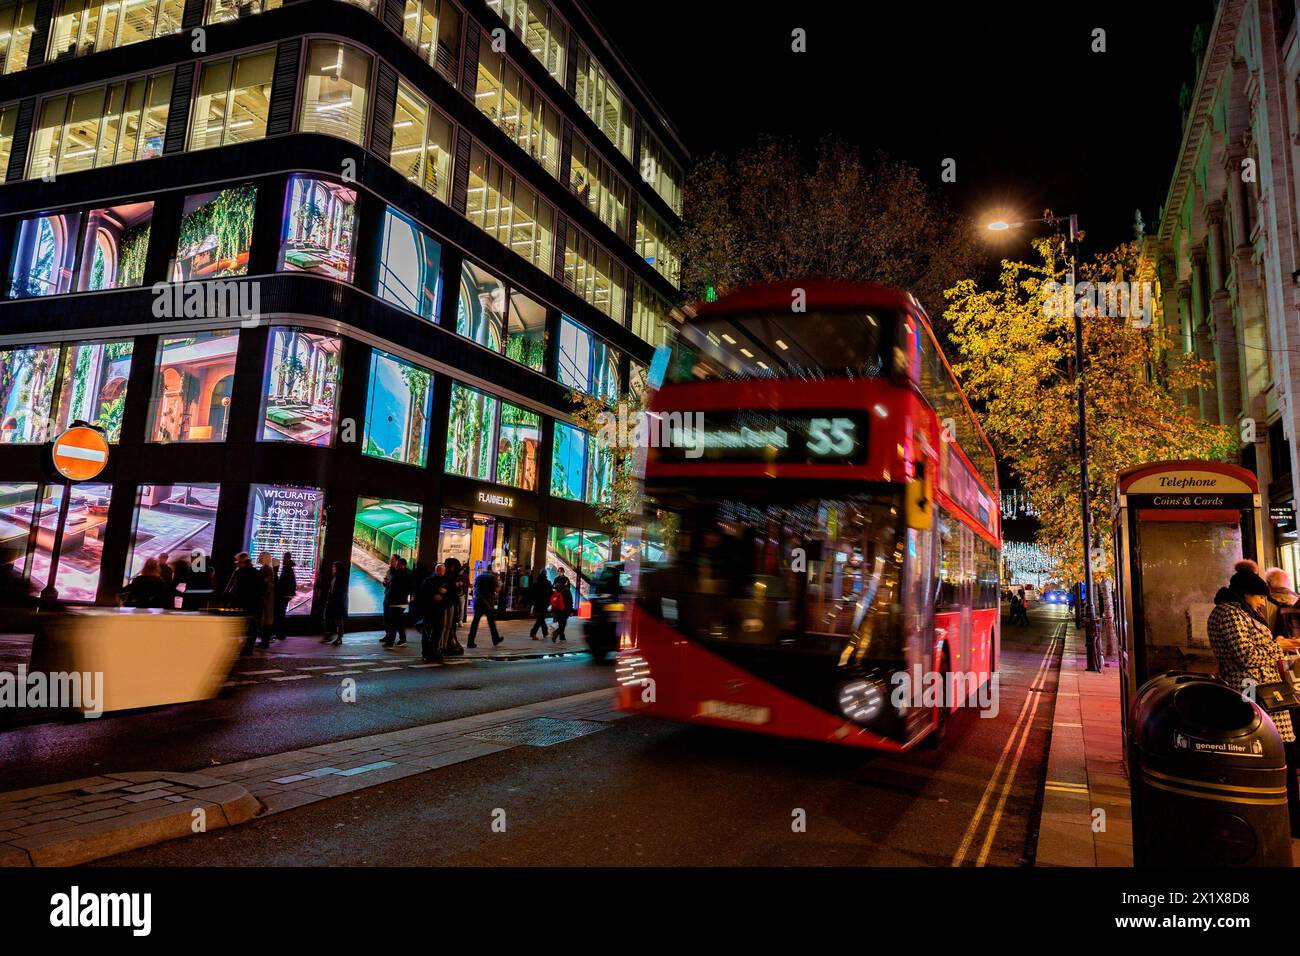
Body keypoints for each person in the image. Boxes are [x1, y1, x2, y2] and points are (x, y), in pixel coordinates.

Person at [1207, 560, 1300, 744]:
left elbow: (1252, 646)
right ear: (1246, 594)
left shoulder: (1241, 612)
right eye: (1259, 597)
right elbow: (1245, 656)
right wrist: (1278, 647)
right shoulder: (1230, 614)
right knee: (1261, 742)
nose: (1262, 603)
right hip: (1249, 689)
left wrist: (1278, 643)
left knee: (1272, 742)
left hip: (1259, 689)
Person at [226, 553, 265, 655]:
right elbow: (262, 589)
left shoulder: (240, 573)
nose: (236, 564)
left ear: (242, 562)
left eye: (237, 562)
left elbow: (236, 590)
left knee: (240, 627)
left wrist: (231, 600)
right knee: (252, 628)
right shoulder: (257, 573)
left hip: (243, 604)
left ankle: (240, 648)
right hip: (255, 605)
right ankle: (248, 649)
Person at [417, 562, 450, 661]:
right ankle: (427, 653)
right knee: (428, 632)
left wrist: (444, 594)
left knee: (437, 632)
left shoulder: (445, 581)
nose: (440, 572)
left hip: (439, 610)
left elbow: (451, 596)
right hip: (430, 610)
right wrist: (434, 596)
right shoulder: (429, 581)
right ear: (435, 571)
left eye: (441, 571)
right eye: (438, 570)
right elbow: (423, 594)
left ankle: (433, 652)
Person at [382, 555, 413, 647]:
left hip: (398, 602)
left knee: (393, 622)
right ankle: (401, 639)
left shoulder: (402, 575)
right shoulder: (396, 573)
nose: (396, 565)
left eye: (398, 564)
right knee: (398, 621)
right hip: (395, 601)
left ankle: (391, 642)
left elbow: (404, 588)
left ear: (404, 565)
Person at [468, 565, 503, 647]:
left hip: (478, 602)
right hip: (488, 603)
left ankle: (470, 641)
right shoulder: (493, 578)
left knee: (475, 622)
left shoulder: (479, 577)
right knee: (491, 622)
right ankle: (495, 639)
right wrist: (501, 585)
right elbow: (497, 590)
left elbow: (474, 588)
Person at [1264, 567, 1299, 638]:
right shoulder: (1297, 600)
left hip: (1279, 645)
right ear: (1288, 583)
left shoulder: (1265, 603)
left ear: (1269, 584)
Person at [441, 558, 465, 656]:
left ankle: (444, 645)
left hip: (448, 603)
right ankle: (444, 645)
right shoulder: (450, 578)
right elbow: (454, 591)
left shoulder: (448, 577)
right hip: (449, 603)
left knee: (447, 626)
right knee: (447, 626)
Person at [321, 561, 347, 645]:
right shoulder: (335, 577)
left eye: (334, 568)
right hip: (332, 601)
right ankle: (330, 635)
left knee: (338, 620)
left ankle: (339, 638)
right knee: (329, 617)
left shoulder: (340, 578)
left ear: (337, 569)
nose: (332, 569)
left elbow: (339, 592)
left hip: (338, 602)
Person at [274, 551, 296, 640]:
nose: (282, 559)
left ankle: (281, 634)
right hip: (287, 594)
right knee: (281, 614)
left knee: (281, 614)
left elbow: (283, 582)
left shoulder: (286, 568)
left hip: (284, 594)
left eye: (283, 557)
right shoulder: (289, 568)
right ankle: (281, 633)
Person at [256, 552, 276, 647]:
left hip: (266, 597)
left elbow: (267, 584)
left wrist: (263, 595)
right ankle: (265, 641)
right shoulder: (268, 569)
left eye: (260, 556)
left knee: (266, 618)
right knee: (266, 618)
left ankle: (265, 642)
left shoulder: (266, 569)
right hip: (267, 596)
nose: (258, 557)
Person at [528, 568, 554, 640]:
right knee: (540, 619)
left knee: (541, 618)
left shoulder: (536, 583)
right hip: (544, 603)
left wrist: (533, 602)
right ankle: (533, 633)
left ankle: (545, 633)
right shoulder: (548, 583)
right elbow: (550, 593)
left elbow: (532, 594)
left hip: (537, 603)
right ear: (546, 574)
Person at [550, 570, 574, 642]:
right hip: (564, 609)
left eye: (560, 571)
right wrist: (571, 610)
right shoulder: (567, 591)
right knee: (563, 623)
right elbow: (570, 601)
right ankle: (558, 633)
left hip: (557, 608)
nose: (559, 572)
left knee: (561, 622)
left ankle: (561, 636)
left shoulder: (557, 590)